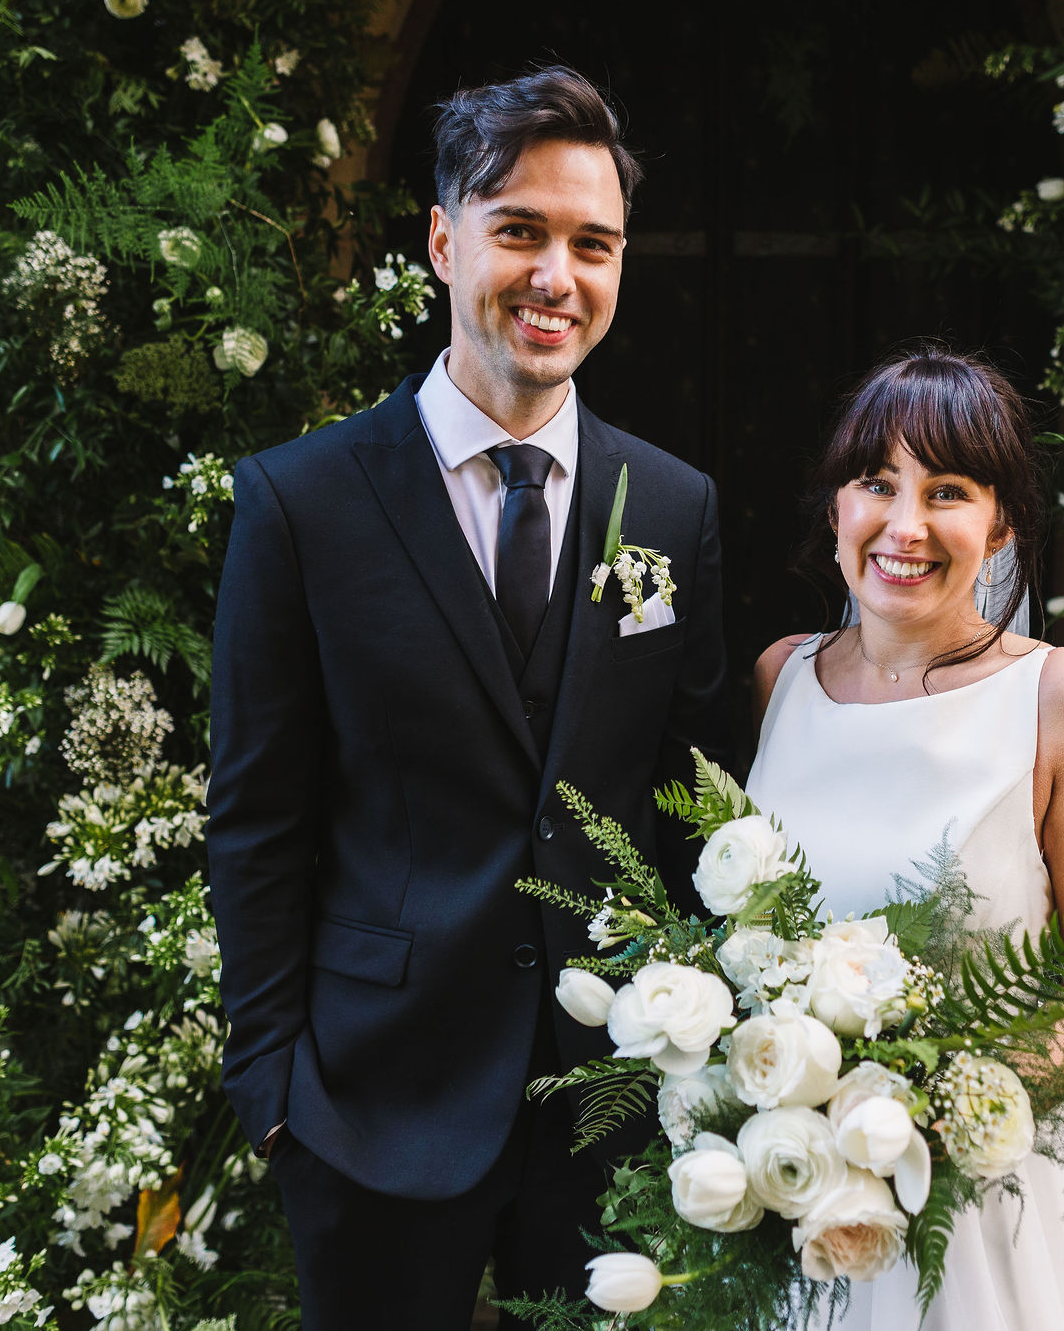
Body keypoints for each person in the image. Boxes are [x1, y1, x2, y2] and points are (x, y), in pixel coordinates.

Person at [207, 66, 731, 1329]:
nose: (558, 275)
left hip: (612, 1105)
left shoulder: (671, 506)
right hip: (371, 1105)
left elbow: (696, 799)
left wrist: (706, 1060)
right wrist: (271, 1087)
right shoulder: (302, 502)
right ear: (444, 241)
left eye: (591, 244)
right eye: (521, 232)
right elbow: (256, 818)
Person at [747, 346, 1064, 1329]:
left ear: (999, 528)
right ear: (834, 512)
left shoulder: (1062, 700)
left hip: (994, 1190)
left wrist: (949, 1111)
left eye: (945, 490)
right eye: (875, 484)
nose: (904, 525)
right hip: (805, 1181)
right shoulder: (780, 681)